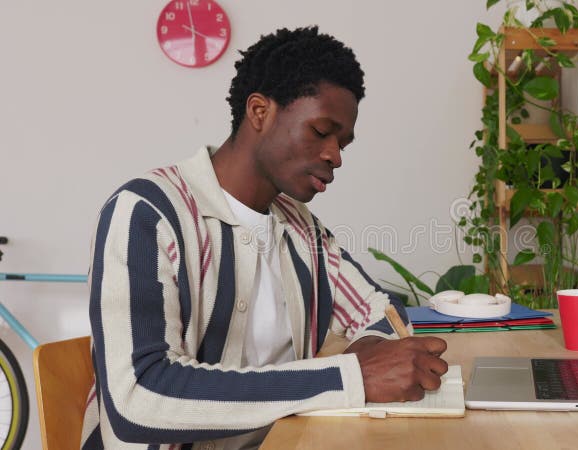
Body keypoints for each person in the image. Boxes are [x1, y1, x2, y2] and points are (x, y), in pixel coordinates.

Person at [81, 26, 448, 449]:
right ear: (259, 111)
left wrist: (372, 354)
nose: (336, 155)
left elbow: (381, 312)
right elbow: (138, 398)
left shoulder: (300, 227)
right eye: (320, 131)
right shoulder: (146, 213)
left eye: (343, 142)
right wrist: (350, 377)